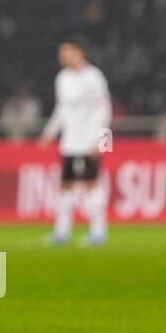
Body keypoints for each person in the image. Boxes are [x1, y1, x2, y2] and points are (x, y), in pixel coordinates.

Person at [39, 40, 112, 245]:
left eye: (67, 52)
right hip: (69, 142)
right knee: (65, 186)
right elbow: (61, 109)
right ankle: (62, 232)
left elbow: (105, 109)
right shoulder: (62, 78)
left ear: (79, 52)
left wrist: (102, 141)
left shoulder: (94, 77)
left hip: (90, 141)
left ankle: (99, 232)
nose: (62, 56)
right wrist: (49, 133)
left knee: (91, 184)